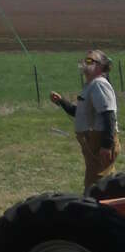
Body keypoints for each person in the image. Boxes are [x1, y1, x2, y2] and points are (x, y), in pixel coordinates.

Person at [51, 49, 120, 193]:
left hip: (100, 140)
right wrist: (62, 102)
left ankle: (95, 211)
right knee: (104, 183)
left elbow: (109, 115)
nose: (84, 63)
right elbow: (79, 112)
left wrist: (107, 145)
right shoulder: (91, 85)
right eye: (84, 60)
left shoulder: (99, 84)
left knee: (95, 185)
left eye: (89, 61)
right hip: (94, 141)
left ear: (100, 66)